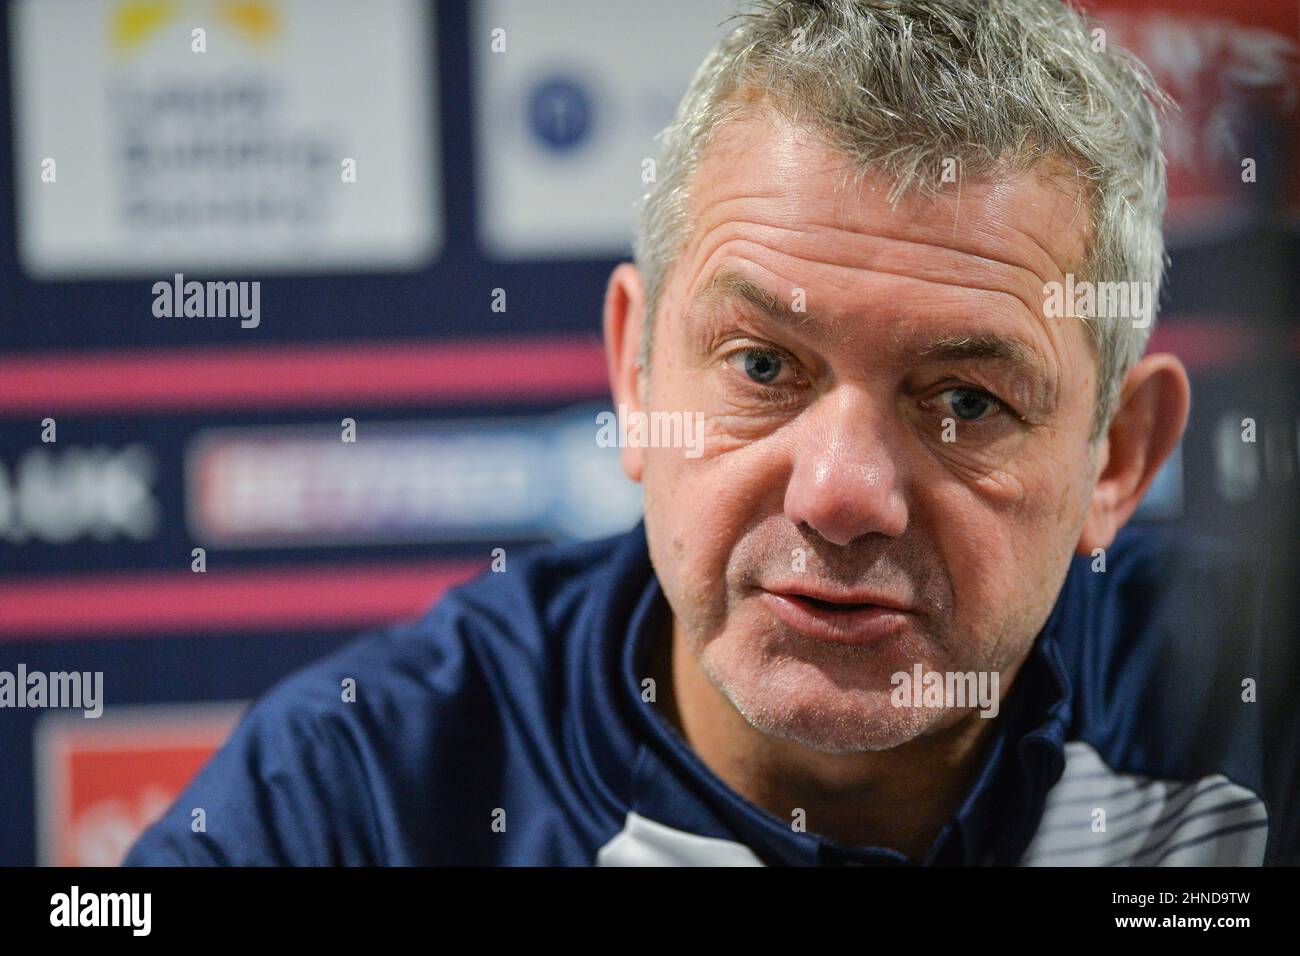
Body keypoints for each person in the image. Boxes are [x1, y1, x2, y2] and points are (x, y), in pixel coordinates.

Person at [124, 0, 1294, 866]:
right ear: (636, 373)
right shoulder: (356, 801)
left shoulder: (1257, 710)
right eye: (763, 365)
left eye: (964, 401)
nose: (840, 493)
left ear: (1117, 456)